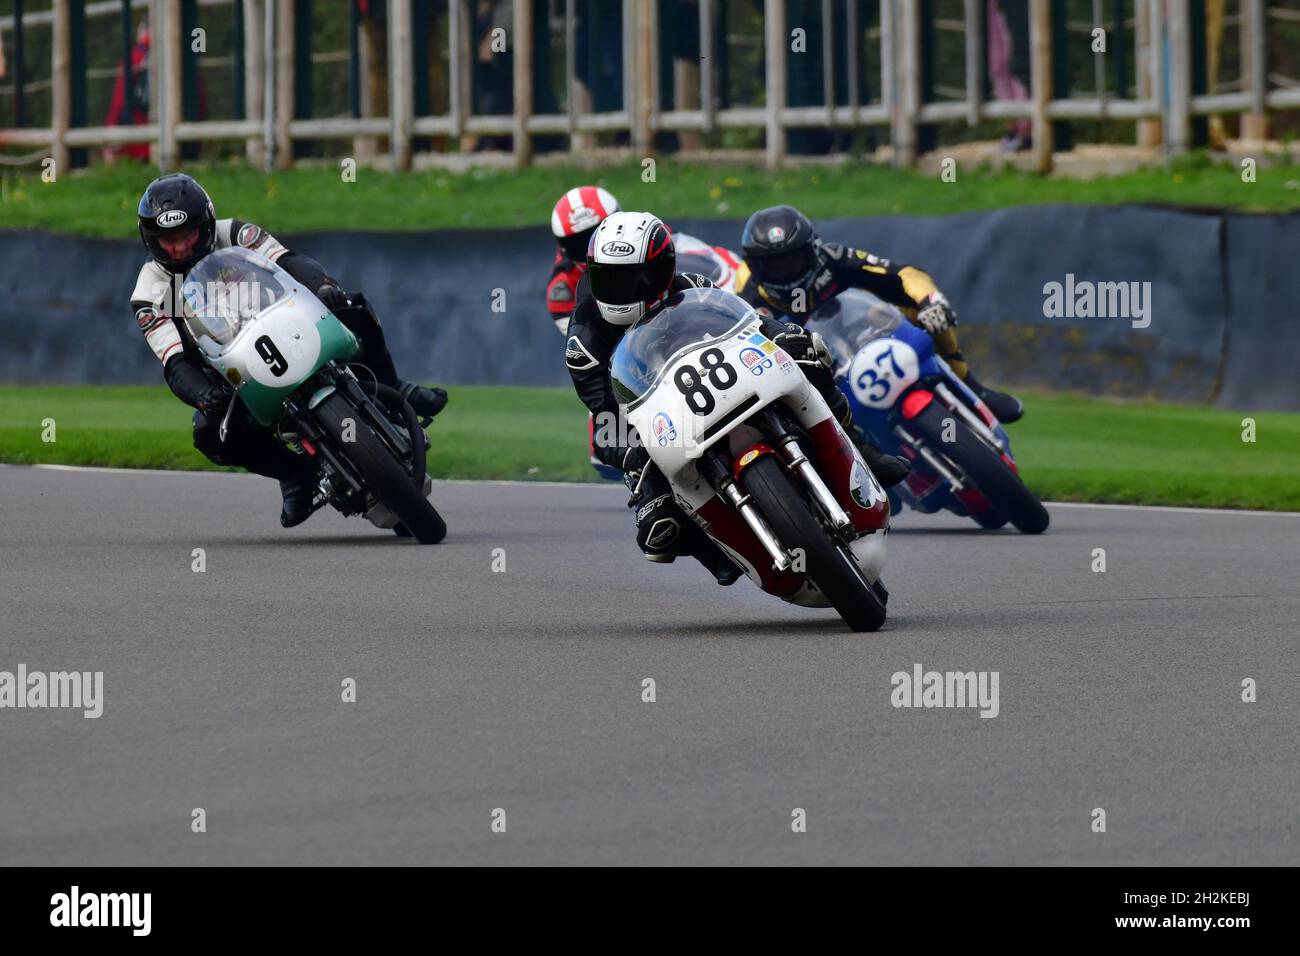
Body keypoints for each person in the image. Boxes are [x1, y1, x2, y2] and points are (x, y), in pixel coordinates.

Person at [565, 211, 909, 585]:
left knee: (807, 359)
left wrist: (785, 334)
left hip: (722, 381)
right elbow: (604, 414)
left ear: (663, 268)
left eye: (635, 278)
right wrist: (630, 450)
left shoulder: (692, 287)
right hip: (656, 414)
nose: (622, 291)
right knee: (657, 526)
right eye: (609, 279)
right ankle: (719, 552)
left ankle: (864, 452)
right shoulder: (585, 342)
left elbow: (751, 323)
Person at [131, 173, 447, 527]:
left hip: (286, 325)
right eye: (168, 241)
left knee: (350, 306)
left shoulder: (233, 234)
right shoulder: (153, 291)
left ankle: (393, 388)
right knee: (209, 434)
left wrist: (324, 286)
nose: (180, 248)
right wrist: (203, 395)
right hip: (233, 376)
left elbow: (288, 262)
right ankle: (295, 474)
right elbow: (173, 362)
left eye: (186, 235)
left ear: (205, 225)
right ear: (151, 241)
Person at [735, 205, 1024, 424]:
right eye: (774, 265)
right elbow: (742, 348)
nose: (786, 270)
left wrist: (931, 303)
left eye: (792, 260)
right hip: (805, 364)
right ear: (756, 266)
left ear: (813, 250)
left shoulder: (834, 258)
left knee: (920, 312)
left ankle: (970, 387)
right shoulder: (747, 295)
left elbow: (903, 274)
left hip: (854, 334)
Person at [546, 185, 620, 334]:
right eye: (581, 244)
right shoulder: (562, 291)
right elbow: (583, 342)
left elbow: (680, 249)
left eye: (602, 233)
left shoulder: (644, 234)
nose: (594, 248)